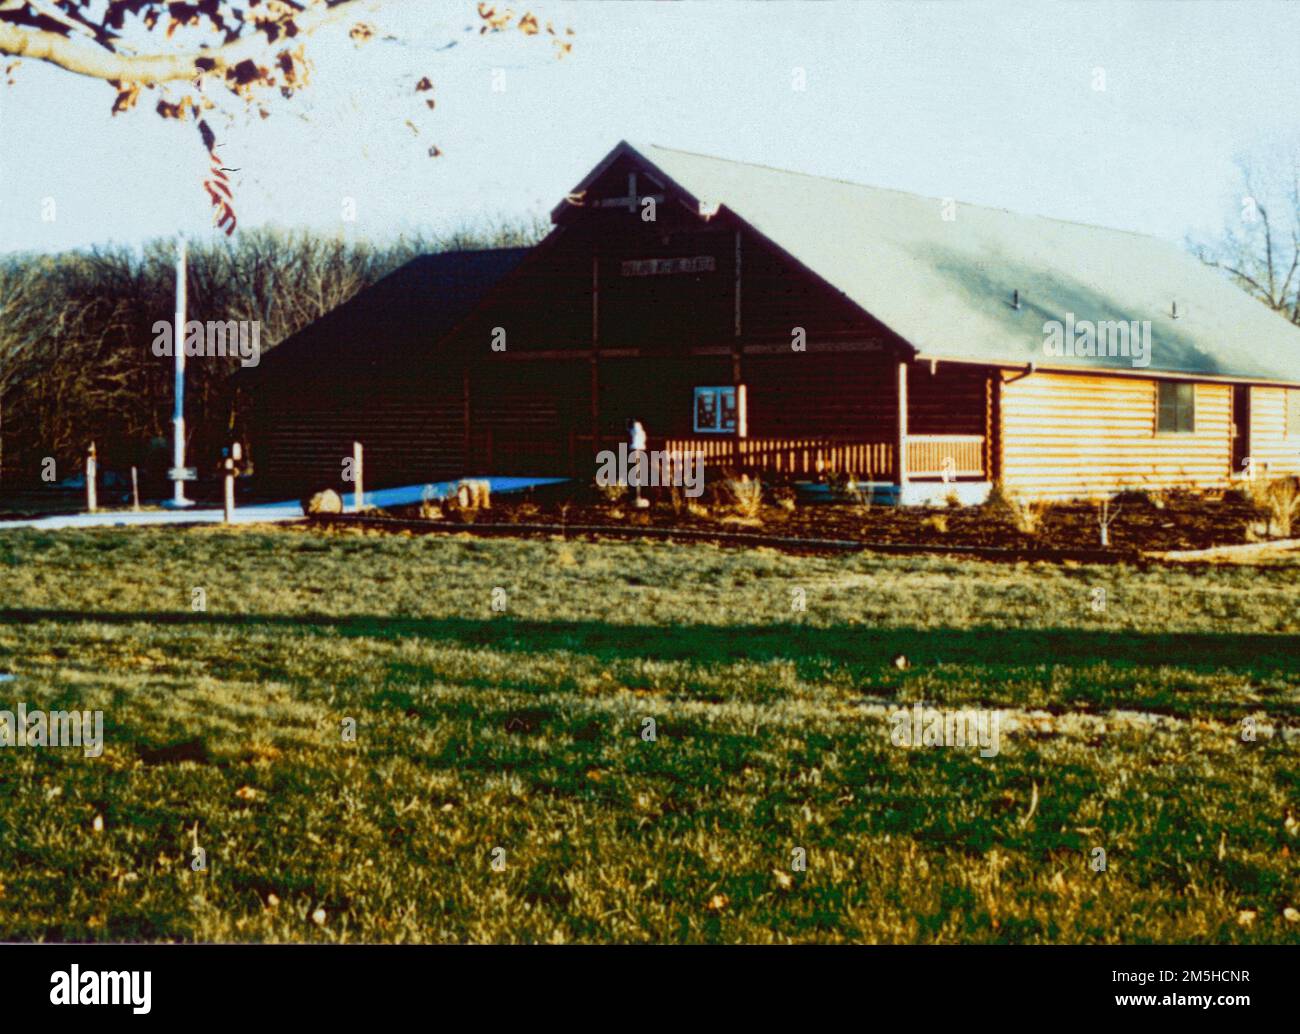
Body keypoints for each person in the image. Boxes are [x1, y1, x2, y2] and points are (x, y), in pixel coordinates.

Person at [627, 417, 650, 507]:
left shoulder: (636, 428)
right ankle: (637, 496)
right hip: (637, 449)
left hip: (637, 449)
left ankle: (638, 495)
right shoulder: (638, 430)